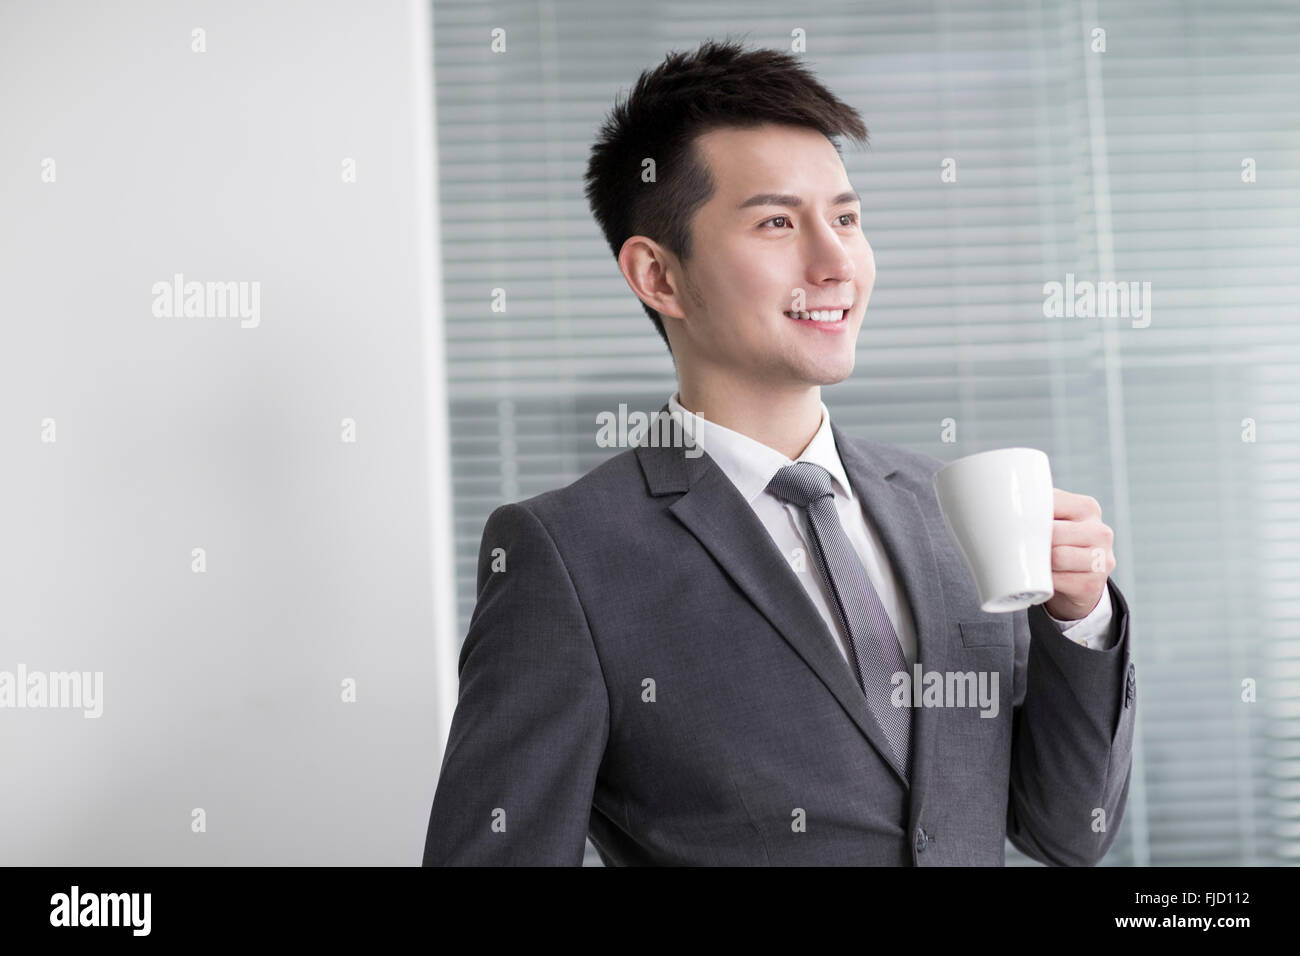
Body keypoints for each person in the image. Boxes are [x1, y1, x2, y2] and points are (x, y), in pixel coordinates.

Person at [423, 38, 1134, 866]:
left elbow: (1067, 832)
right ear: (658, 276)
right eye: (776, 222)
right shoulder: (569, 557)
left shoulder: (945, 509)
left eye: (846, 218)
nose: (835, 263)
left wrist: (1080, 618)